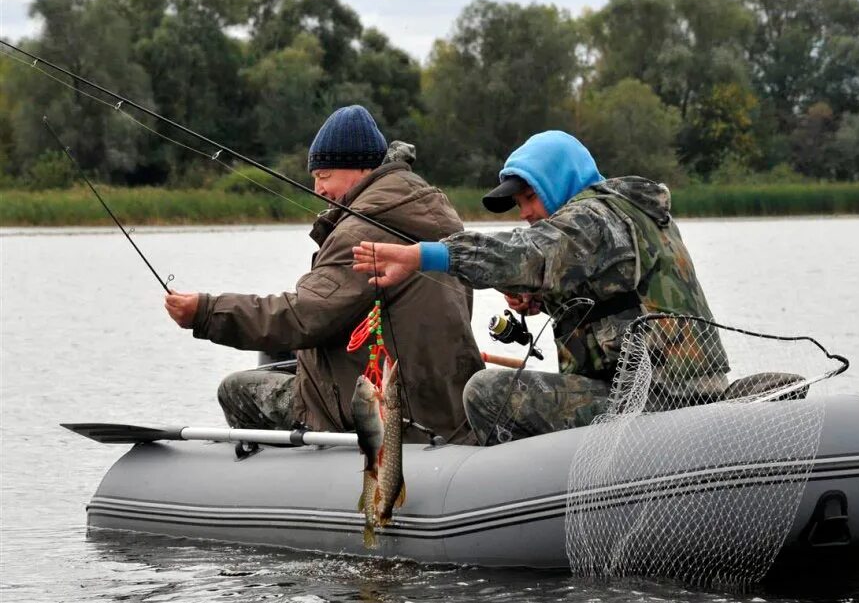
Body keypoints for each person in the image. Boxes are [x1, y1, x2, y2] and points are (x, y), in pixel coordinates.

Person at [351, 130, 727, 445]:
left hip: (657, 400)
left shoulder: (593, 218)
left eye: (530, 197)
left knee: (487, 393)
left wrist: (423, 256)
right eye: (519, 203)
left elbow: (525, 252)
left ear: (561, 181)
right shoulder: (626, 212)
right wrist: (542, 301)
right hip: (685, 388)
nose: (525, 213)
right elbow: (617, 295)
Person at [164, 105, 483, 443]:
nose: (317, 189)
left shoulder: (360, 233)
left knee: (237, 389)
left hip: (391, 415)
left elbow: (303, 317)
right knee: (285, 359)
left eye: (324, 176)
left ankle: (295, 484)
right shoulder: (438, 215)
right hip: (447, 405)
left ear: (360, 169)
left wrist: (205, 312)